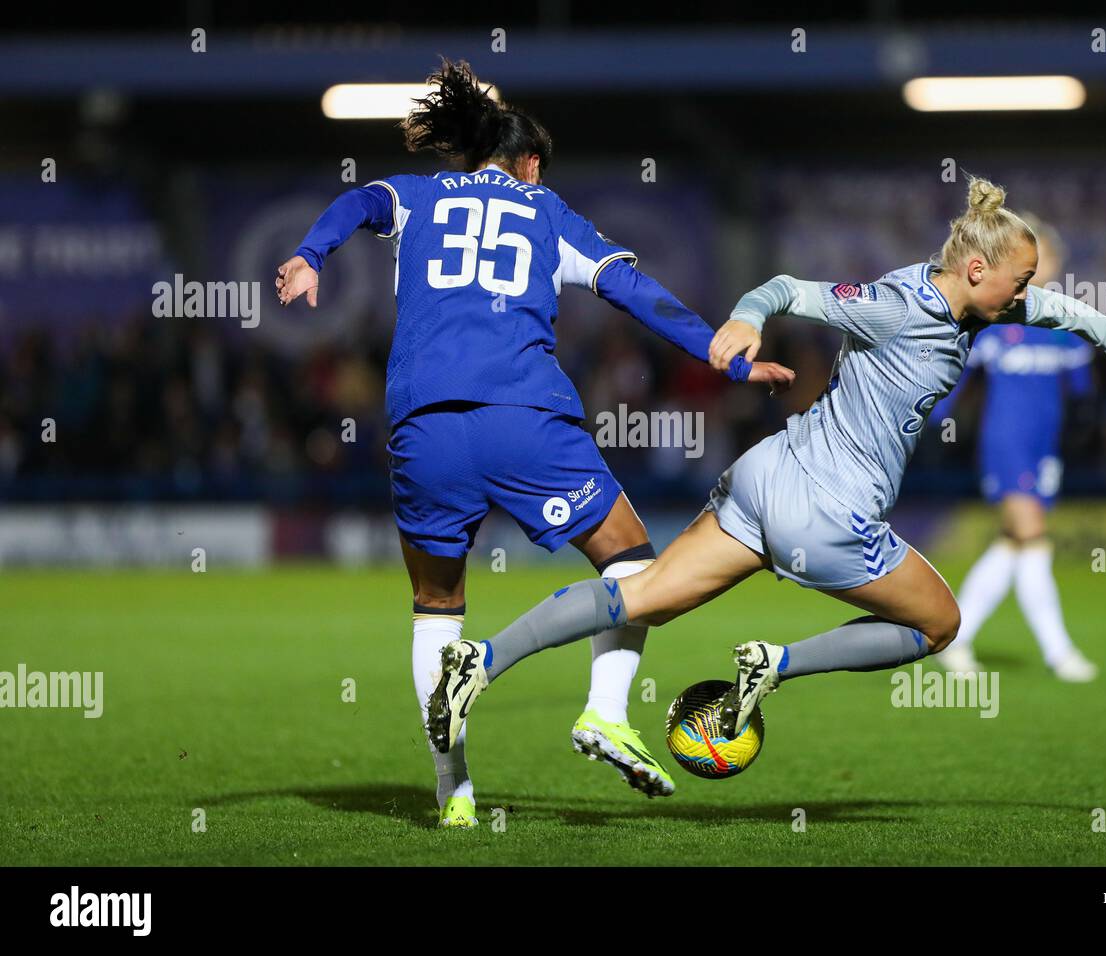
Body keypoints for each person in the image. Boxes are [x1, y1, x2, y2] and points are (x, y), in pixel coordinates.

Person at [424, 176, 1106, 765]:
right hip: (828, 516)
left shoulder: (970, 299)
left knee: (644, 596)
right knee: (936, 626)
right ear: (979, 272)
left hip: (765, 478)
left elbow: (1073, 313)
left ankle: (480, 661)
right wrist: (746, 316)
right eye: (1022, 278)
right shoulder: (893, 304)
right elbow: (785, 288)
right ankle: (779, 663)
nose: (1030, 292)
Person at [275, 59, 794, 824]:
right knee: (632, 562)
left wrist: (308, 255)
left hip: (424, 426)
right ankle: (605, 714)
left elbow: (358, 201)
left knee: (435, 606)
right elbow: (635, 293)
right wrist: (727, 353)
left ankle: (454, 794)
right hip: (525, 416)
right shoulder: (547, 210)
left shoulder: (417, 196)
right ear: (530, 163)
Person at [931, 214, 1099, 681]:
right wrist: (932, 423)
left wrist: (1085, 430)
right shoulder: (993, 320)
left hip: (1045, 448)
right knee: (1033, 538)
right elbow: (954, 379)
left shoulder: (1067, 324)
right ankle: (1058, 652)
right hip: (1005, 445)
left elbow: (1083, 394)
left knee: (1012, 545)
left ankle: (954, 638)